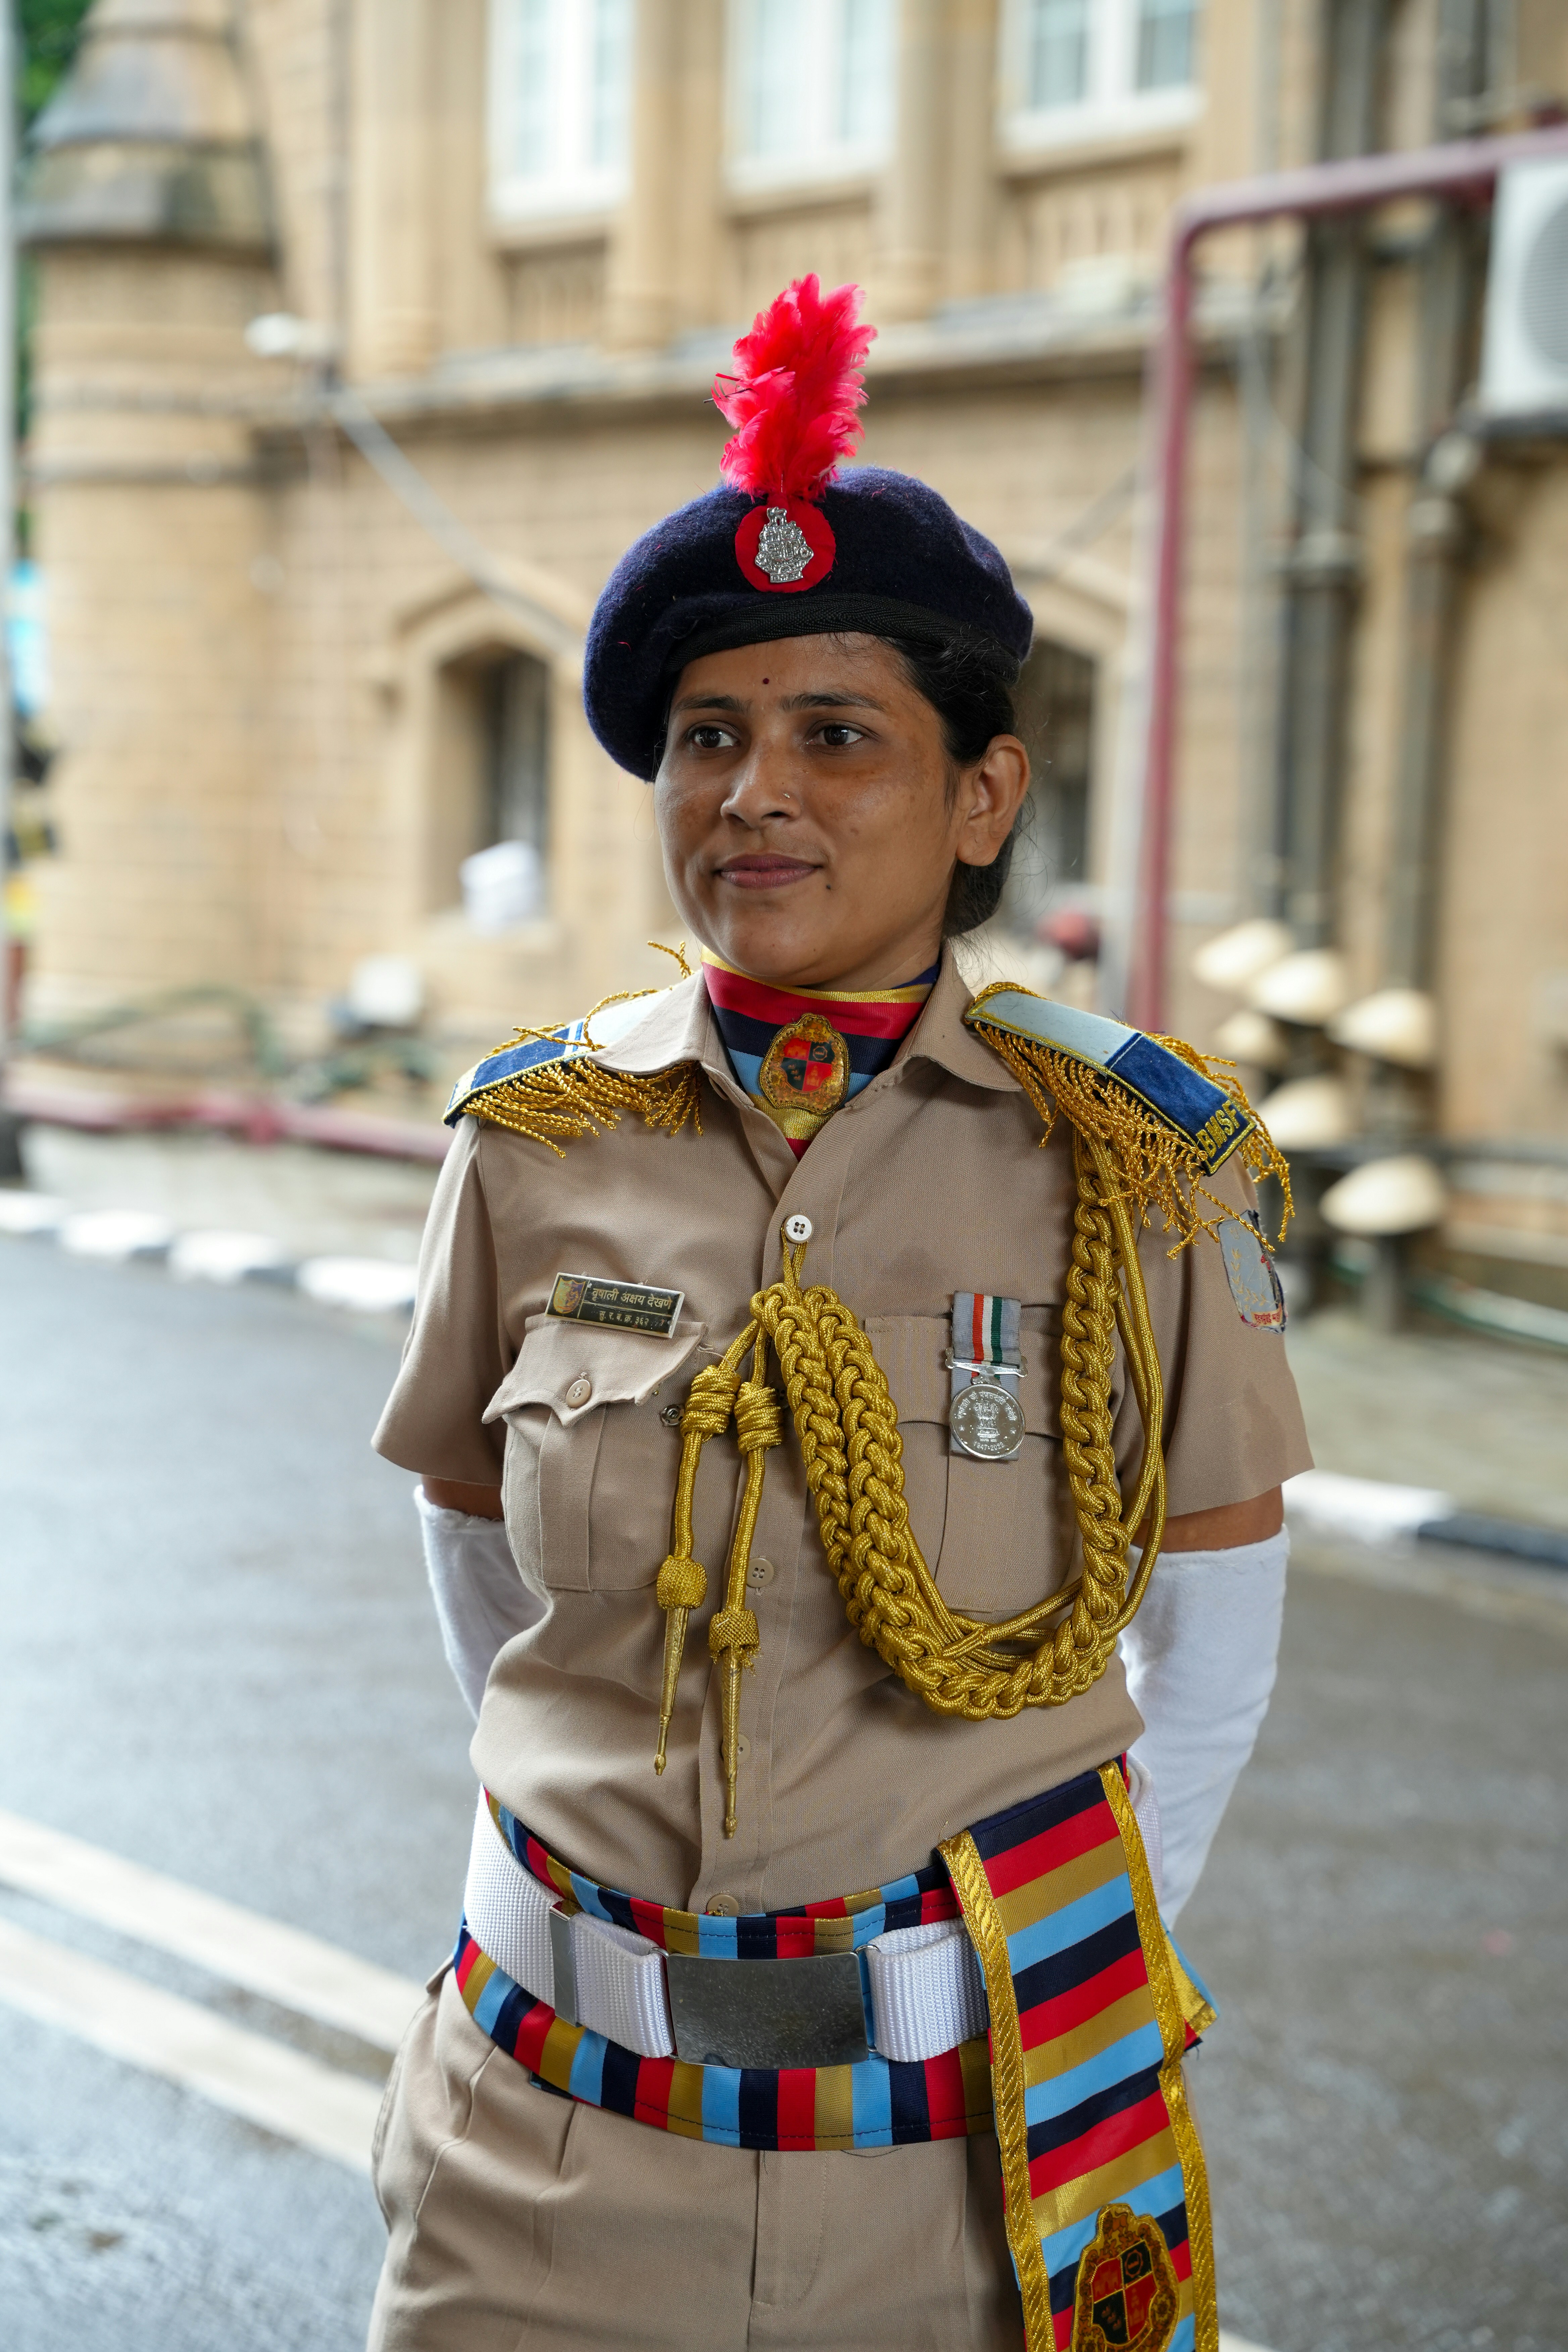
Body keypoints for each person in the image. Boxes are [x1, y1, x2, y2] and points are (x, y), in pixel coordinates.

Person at [366, 277, 1310, 2352]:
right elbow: (473, 1552)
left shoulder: (1144, 1167)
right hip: (537, 2161)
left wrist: (1029, 1985)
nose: (754, 793)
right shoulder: (537, 1141)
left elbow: (1212, 1652)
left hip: (975, 2184)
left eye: (836, 734)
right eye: (709, 735)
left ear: (984, 794)